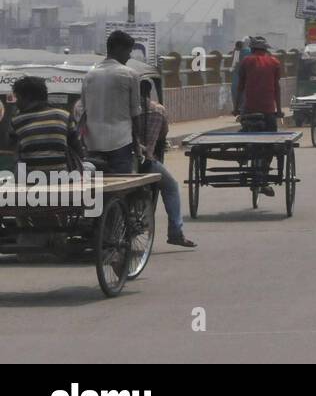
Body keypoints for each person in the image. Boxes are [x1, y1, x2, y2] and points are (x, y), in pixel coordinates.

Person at [139, 80, 196, 247]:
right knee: (171, 187)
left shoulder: (124, 111)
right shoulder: (158, 110)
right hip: (146, 161)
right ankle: (175, 232)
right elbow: (163, 135)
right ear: (149, 93)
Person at [81, 29, 143, 174]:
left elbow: (84, 110)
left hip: (93, 143)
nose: (129, 56)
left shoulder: (89, 76)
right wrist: (138, 143)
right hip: (120, 142)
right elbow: (135, 113)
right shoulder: (130, 74)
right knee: (122, 187)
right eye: (128, 51)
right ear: (119, 49)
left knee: (95, 190)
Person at [235, 36, 283, 195]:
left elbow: (240, 87)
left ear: (252, 49)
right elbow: (276, 88)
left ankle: (243, 153)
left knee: (246, 134)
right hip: (269, 110)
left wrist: (236, 108)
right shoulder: (274, 62)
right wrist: (279, 109)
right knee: (270, 145)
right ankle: (263, 179)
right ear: (266, 49)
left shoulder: (246, 62)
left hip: (249, 110)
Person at [9, 75, 85, 172]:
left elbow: (13, 148)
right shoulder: (64, 115)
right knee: (90, 166)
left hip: (30, 177)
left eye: (18, 98)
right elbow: (76, 146)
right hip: (61, 175)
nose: (16, 103)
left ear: (27, 98)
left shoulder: (17, 120)